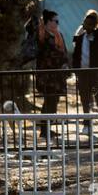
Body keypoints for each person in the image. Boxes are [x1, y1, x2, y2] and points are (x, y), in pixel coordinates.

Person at [71, 10, 98, 135]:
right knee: (85, 100)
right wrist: (76, 70)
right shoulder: (80, 38)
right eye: (85, 23)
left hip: (97, 73)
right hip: (83, 74)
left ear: (94, 25)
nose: (86, 26)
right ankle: (87, 125)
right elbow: (75, 55)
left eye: (89, 24)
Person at [35, 10, 68, 141]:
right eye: (55, 21)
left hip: (57, 75)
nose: (57, 24)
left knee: (54, 101)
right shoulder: (42, 36)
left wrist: (65, 63)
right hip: (47, 75)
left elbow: (63, 52)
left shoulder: (58, 35)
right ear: (48, 22)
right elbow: (46, 55)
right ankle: (44, 129)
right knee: (48, 101)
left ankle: (47, 128)